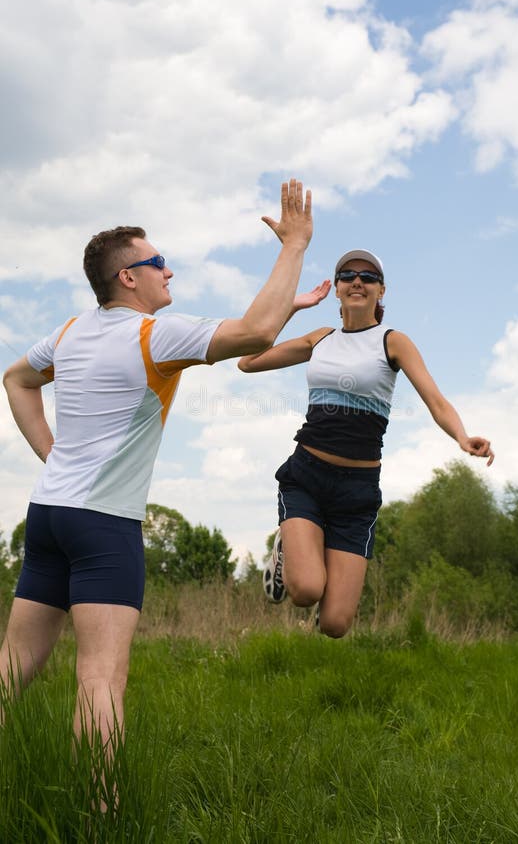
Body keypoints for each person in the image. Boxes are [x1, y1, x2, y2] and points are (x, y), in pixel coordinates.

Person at [0, 179, 313, 783]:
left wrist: (53, 457)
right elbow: (254, 334)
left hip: (47, 517)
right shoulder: (151, 336)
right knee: (100, 678)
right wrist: (294, 245)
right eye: (158, 264)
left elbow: (15, 380)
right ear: (128, 278)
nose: (169, 273)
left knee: (12, 667)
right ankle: (97, 821)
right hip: (103, 526)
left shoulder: (68, 334)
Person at [238, 248, 494, 639]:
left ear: (381, 291)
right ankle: (290, 546)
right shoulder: (320, 337)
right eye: (347, 275)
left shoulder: (393, 341)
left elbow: (437, 401)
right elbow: (249, 360)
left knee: (335, 624)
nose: (357, 280)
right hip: (307, 476)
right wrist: (293, 307)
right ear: (337, 290)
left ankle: (304, 545)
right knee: (305, 591)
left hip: (356, 493)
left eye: (368, 276)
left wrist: (462, 437)